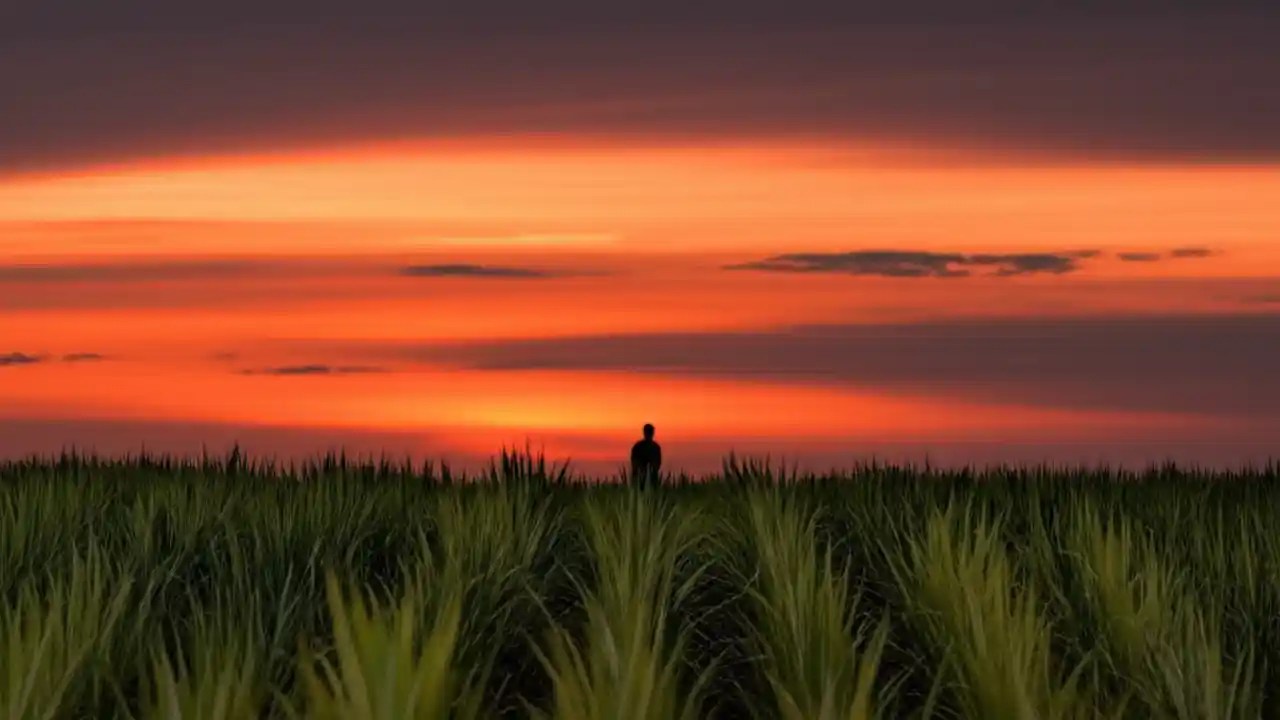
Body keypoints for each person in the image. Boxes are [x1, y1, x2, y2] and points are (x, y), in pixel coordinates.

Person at [630, 423, 662, 488]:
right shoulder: (638, 446)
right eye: (649, 432)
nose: (650, 434)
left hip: (651, 478)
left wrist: (651, 470)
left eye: (650, 432)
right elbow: (634, 462)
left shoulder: (655, 447)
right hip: (640, 478)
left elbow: (658, 463)